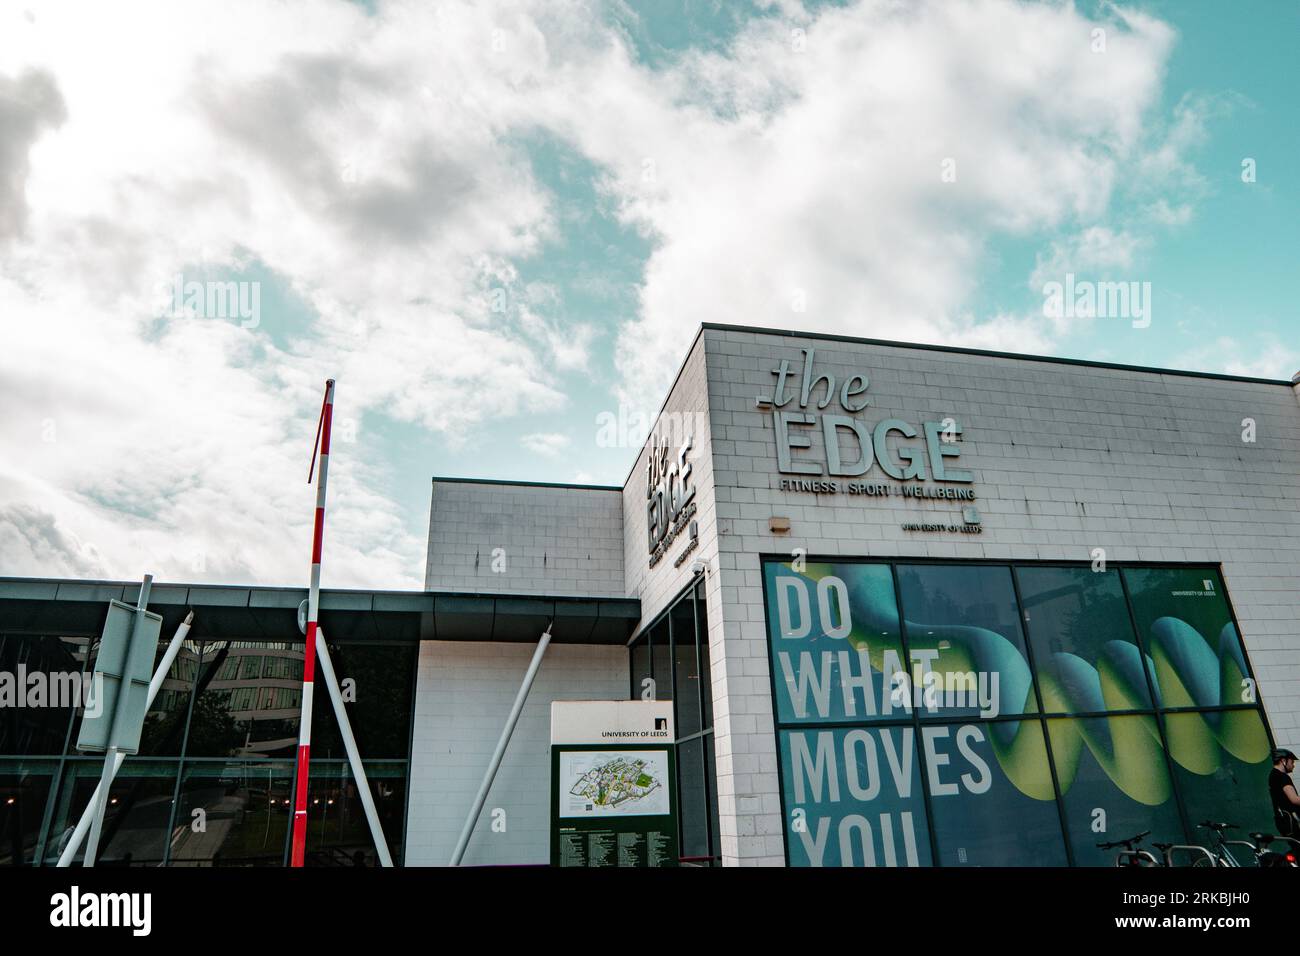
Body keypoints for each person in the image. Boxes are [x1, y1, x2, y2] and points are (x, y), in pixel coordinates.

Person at [1269, 748, 1300, 837]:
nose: (1293, 765)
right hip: (1292, 822)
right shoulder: (1282, 776)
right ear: (1283, 761)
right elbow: (1294, 799)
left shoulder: (1273, 775)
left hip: (1283, 821)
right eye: (1292, 762)